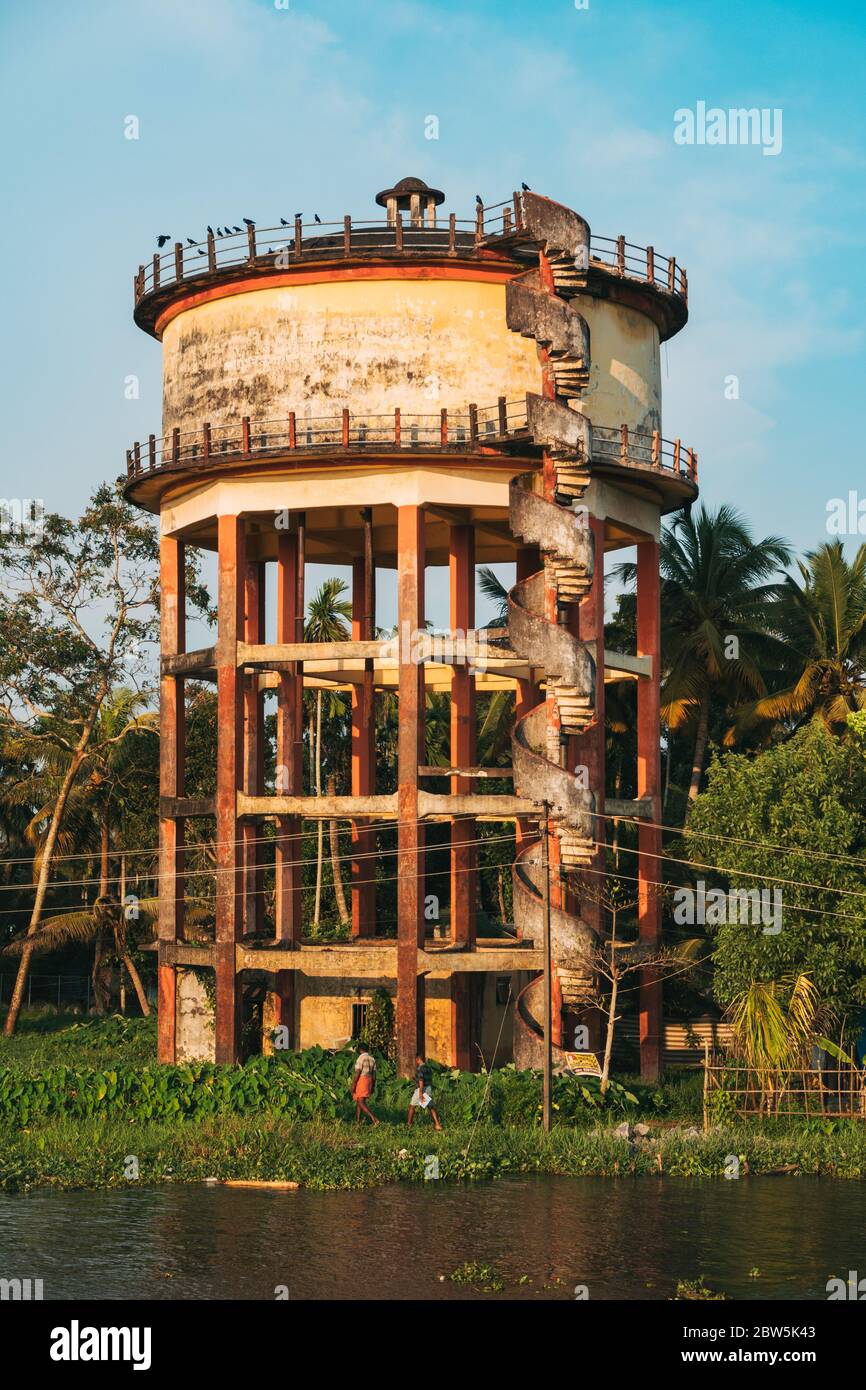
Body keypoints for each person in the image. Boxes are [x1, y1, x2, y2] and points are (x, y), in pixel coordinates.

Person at [407, 1052, 442, 1130]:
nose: (416, 1061)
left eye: (416, 1060)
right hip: (428, 1088)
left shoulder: (420, 1068)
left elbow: (421, 1081)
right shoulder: (428, 1068)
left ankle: (409, 1125)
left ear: (418, 1059)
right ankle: (437, 1125)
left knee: (412, 1106)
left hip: (422, 1089)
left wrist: (420, 1093)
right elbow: (428, 1079)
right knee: (431, 1107)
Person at [351, 1040, 380, 1125]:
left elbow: (357, 1072)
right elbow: (374, 1075)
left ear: (359, 1050)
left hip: (362, 1079)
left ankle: (374, 1118)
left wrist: (354, 1084)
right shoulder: (372, 1059)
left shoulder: (361, 1058)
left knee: (360, 1101)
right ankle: (358, 1121)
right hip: (370, 1080)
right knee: (359, 1100)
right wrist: (373, 1086)